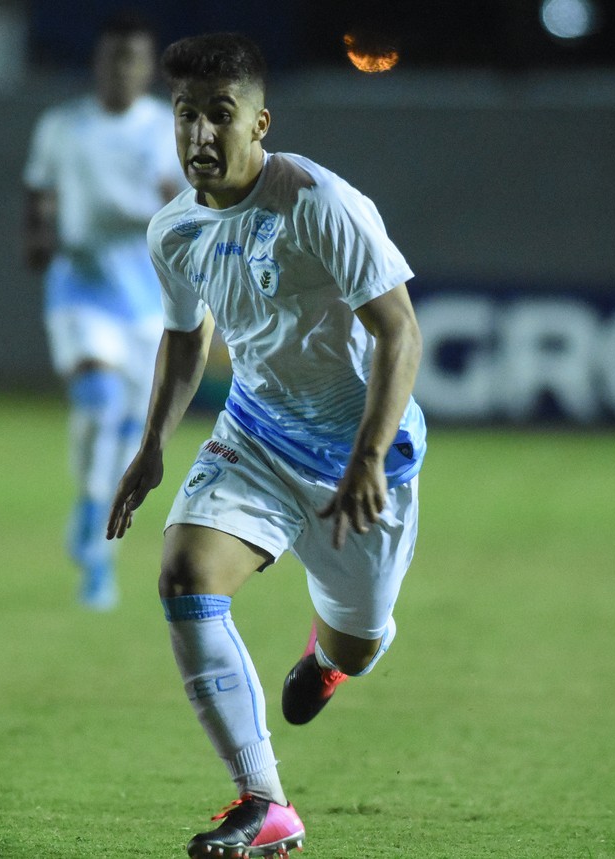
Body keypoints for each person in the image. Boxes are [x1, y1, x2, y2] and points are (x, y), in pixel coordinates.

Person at [107, 33, 425, 859]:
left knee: (359, 639)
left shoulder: (319, 203)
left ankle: (333, 657)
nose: (200, 135)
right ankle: (265, 801)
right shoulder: (174, 230)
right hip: (254, 435)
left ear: (259, 123)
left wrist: (367, 456)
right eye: (186, 115)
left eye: (221, 114)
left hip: (362, 461)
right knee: (185, 576)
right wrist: (152, 445)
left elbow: (399, 332)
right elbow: (187, 336)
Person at [22, 10, 184, 611]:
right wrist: (37, 235)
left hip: (145, 298)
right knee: (99, 401)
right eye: (113, 57)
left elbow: (183, 202)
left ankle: (99, 548)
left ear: (148, 68)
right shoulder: (62, 126)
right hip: (80, 287)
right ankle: (93, 514)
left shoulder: (165, 127)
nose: (122, 68)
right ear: (98, 62)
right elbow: (39, 194)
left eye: (133, 59)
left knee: (129, 430)